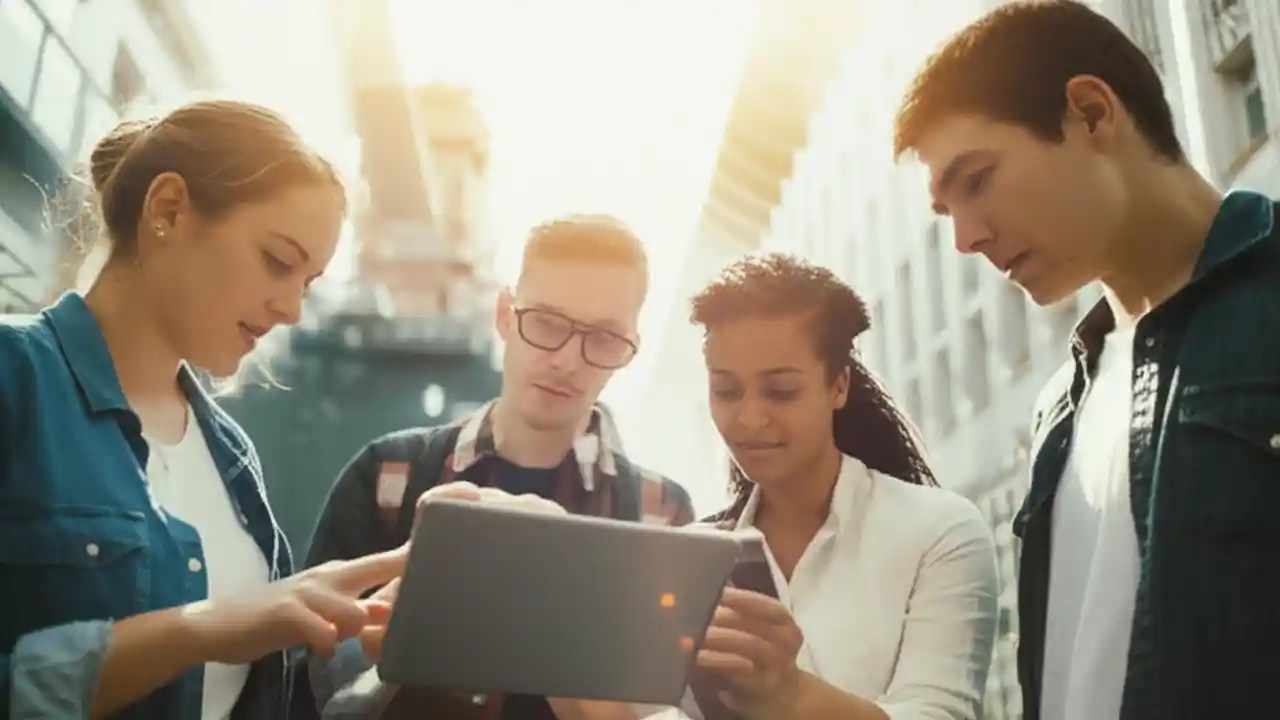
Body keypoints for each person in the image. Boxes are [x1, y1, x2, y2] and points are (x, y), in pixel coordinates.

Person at [891, 2, 1280, 718]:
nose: (966, 240)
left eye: (976, 181)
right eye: (946, 214)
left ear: (1093, 112)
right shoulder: (1058, 409)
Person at [0, 99, 406, 720]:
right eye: (277, 261)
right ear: (167, 210)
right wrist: (200, 629)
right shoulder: (13, 377)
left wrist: (385, 652)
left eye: (309, 282)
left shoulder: (233, 456)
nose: (293, 309)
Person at [304, 215, 695, 719]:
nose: (568, 361)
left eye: (602, 339)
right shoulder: (386, 476)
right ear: (505, 314)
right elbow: (301, 665)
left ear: (631, 347)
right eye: (548, 324)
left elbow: (665, 707)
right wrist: (384, 637)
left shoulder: (661, 515)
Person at [664, 252, 997, 719]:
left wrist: (792, 697)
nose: (749, 418)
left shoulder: (939, 531)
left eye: (781, 391)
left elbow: (940, 714)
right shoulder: (690, 557)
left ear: (838, 386)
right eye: (726, 391)